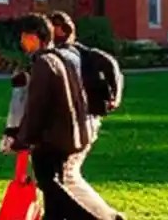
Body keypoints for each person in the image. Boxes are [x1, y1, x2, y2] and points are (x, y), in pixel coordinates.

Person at [11, 13, 121, 220]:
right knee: (57, 191)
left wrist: (22, 140)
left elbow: (37, 107)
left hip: (55, 137)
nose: (21, 42)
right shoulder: (64, 57)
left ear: (34, 37)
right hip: (71, 132)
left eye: (23, 36)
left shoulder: (44, 63)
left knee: (50, 184)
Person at [49, 12, 124, 220]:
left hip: (81, 121)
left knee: (68, 175)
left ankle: (106, 216)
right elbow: (112, 65)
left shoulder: (75, 55)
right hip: (81, 120)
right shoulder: (83, 54)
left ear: (62, 30)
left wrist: (114, 96)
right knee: (67, 176)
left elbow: (112, 66)